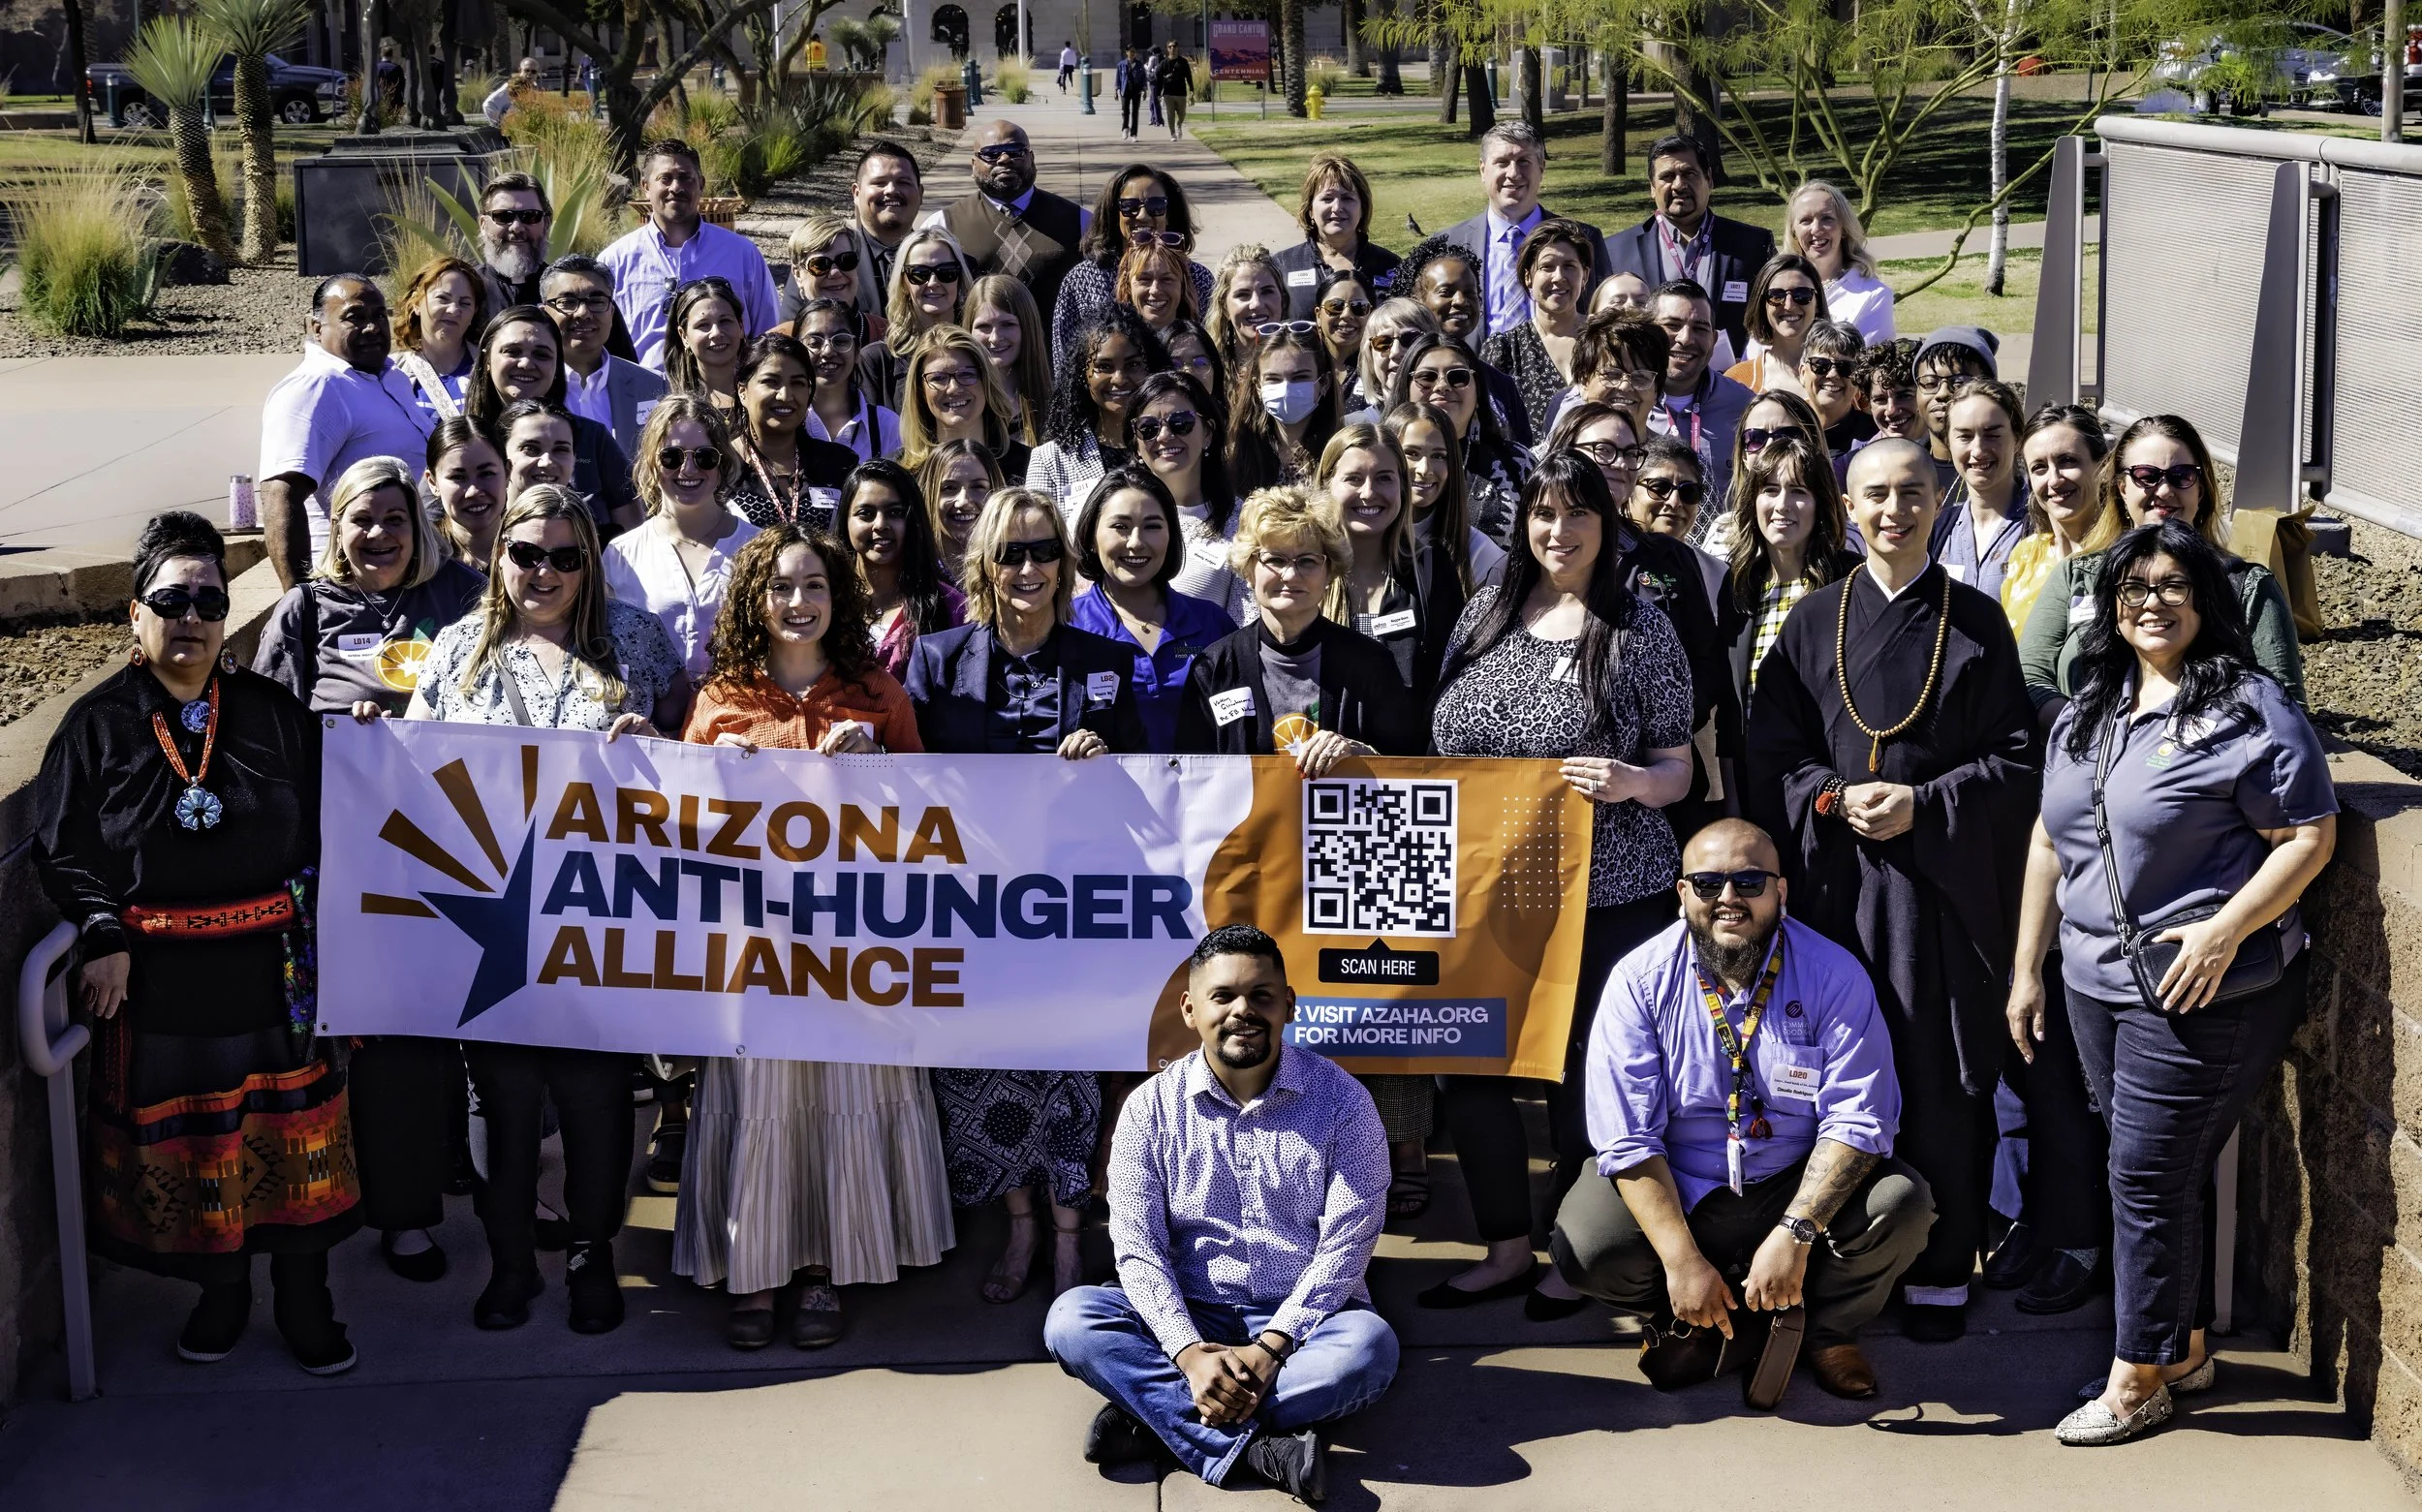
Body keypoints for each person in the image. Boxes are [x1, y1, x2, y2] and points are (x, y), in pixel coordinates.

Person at [2010, 519, 2336, 1445]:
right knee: (2156, 1166)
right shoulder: (2087, 709)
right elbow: (2047, 839)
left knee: (2145, 1174)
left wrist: (2228, 929)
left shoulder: (2249, 707)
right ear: (2111, 606)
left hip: (2205, 989)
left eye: (2172, 585)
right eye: (2134, 587)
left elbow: (2308, 835)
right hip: (2091, 984)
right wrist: (2028, 968)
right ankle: (2184, 1343)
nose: (2152, 602)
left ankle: (2137, 1377)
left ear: (2205, 601)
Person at [35, 510, 359, 1372]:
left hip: (276, 972)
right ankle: (222, 1296)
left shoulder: (271, 713)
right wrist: (102, 931)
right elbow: (65, 846)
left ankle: (305, 1299)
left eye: (208, 600)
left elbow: (336, 825)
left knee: (295, 1144)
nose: (192, 616)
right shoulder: (96, 725)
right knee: (202, 1154)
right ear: (134, 614)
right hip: (165, 983)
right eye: (171, 598)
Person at [1744, 438, 2040, 1343]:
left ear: (1940, 496)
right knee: (1826, 1071)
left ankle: (1942, 1268)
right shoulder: (1810, 623)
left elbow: (2018, 761)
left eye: (1913, 493)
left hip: (1937, 894)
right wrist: (1830, 797)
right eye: (1875, 494)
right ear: (1848, 500)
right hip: (1836, 888)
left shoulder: (1980, 623)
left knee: (1940, 1070)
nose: (1894, 511)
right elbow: (1771, 752)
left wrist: (1926, 803)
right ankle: (1833, 1257)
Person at [1425, 451, 1697, 1316]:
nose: (1559, 531)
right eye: (1543, 514)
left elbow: (1680, 769)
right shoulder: (1484, 614)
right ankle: (1506, 1245)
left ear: (1606, 524)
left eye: (1577, 515)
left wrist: (1631, 783)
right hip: (1487, 892)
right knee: (1467, 1068)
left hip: (1607, 893)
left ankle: (1572, 1253)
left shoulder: (1640, 627)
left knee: (1586, 1074)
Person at [406, 485, 684, 1332]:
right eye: (527, 553)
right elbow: (409, 765)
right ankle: (513, 1259)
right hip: (493, 912)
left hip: (603, 914)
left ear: (588, 563)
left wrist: (656, 750)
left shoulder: (636, 641)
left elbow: (697, 763)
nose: (545, 572)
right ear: (500, 558)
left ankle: (593, 1253)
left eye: (566, 556)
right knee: (503, 1096)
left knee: (597, 1092)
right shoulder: (458, 650)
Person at [675, 524, 955, 1349]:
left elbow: (936, 823)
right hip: (755, 953)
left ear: (839, 599)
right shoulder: (721, 698)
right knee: (764, 1102)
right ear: (754, 602)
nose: (799, 603)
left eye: (815, 587)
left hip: (853, 951)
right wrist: (704, 766)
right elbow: (681, 830)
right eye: (782, 588)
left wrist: (877, 765)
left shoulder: (879, 695)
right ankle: (755, 1273)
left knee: (839, 1102)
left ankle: (825, 1270)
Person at [1550, 818, 1937, 1401]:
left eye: (1749, 881)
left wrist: (1795, 1233)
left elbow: (1862, 1118)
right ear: (1683, 895)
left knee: (1900, 1205)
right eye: (1707, 883)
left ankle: (1828, 1332)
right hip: (1684, 1184)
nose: (1728, 899)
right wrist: (1681, 1262)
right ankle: (1691, 1309)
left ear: (1781, 892)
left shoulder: (1833, 973)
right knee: (1584, 1243)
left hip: (1792, 1180)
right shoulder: (1638, 981)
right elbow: (1626, 1138)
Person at [1044, 925, 1396, 1499]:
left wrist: (1272, 1346)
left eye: (1261, 996)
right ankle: (1257, 1451)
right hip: (1185, 1317)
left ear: (1288, 1003)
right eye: (1223, 996)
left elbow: (1348, 1246)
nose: (1243, 1012)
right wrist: (1186, 1352)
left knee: (1369, 1350)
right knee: (1072, 1320)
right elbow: (1138, 1249)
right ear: (1190, 1009)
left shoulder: (1343, 1100)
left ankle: (1155, 1421)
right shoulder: (1149, 1108)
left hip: (1301, 1328)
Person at [906, 489, 1145, 1302]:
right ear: (984, 564)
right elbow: (904, 782)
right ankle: (1019, 1226)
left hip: (1073, 906)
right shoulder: (936, 660)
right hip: (971, 910)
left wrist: (1106, 754)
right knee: (986, 1072)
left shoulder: (1106, 666)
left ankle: (1073, 1237)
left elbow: (1154, 782)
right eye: (1011, 552)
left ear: (1066, 564)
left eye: (1044, 550)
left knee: (1072, 1069)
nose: (1030, 567)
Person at [249, 458, 481, 1282]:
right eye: (361, 519)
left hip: (467, 856)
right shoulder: (304, 613)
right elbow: (264, 744)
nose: (378, 534)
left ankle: (478, 1168)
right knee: (395, 1040)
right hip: (360, 868)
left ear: (420, 525)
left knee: (481, 1027)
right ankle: (407, 1216)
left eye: (395, 518)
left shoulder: (463, 594)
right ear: (334, 529)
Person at [2018, 413, 2306, 721]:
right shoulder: (2076, 576)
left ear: (2201, 488)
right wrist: (2088, 732)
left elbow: (2287, 709)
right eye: (2146, 475)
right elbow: (2028, 679)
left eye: (2181, 475)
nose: (2165, 490)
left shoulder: (2247, 587)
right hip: (2086, 757)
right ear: (2122, 488)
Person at [259, 274, 436, 588]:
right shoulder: (314, 387)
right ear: (316, 328)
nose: (371, 327)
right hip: (347, 588)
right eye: (354, 317)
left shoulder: (388, 377)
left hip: (405, 578)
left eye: (379, 315)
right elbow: (281, 495)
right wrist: (300, 602)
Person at [1070, 463, 1234, 752]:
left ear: (1171, 537)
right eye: (1120, 527)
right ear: (1091, 537)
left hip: (1202, 795)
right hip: (1102, 795)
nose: (1136, 542)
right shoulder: (1066, 625)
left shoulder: (1212, 624)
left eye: (1152, 526)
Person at [603, 394, 758, 685]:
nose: (688, 469)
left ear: (722, 462)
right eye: (671, 457)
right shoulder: (619, 555)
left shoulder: (758, 547)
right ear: (651, 461)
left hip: (740, 720)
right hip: (650, 723)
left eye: (704, 457)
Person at [599, 139, 780, 375]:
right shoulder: (615, 261)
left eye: (685, 178)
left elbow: (767, 333)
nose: (676, 187)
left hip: (727, 397)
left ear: (701, 184)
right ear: (645, 186)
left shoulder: (742, 254)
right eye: (665, 178)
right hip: (642, 399)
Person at [1717, 432, 1859, 722]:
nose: (1782, 504)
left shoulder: (1852, 581)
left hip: (1823, 761)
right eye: (1770, 490)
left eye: (1798, 491)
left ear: (1820, 504)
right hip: (1753, 761)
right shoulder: (1738, 585)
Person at [464, 305, 642, 534]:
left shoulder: (590, 437)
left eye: (542, 354)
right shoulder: (460, 441)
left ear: (557, 366)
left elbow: (632, 534)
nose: (526, 363)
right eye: (512, 351)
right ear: (487, 359)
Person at [1606, 135, 1782, 356]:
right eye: (1667, 176)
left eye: (1689, 173)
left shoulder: (1753, 245)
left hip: (1732, 380)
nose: (1679, 185)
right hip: (1648, 380)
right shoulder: (1616, 251)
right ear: (1652, 187)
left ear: (1709, 179)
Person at [1436, 122, 1613, 340]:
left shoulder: (1585, 238)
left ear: (1541, 168)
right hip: (1474, 370)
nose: (1513, 173)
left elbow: (1603, 315)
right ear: (1483, 170)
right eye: (1501, 163)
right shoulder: (1449, 243)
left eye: (1524, 162)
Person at [1051, 164, 1214, 365]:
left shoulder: (1199, 277)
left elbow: (1215, 353)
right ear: (1114, 213)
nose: (1143, 216)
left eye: (1156, 206)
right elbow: (1063, 360)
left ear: (1169, 213)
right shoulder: (1082, 280)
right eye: (1129, 207)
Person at [936, 121, 1088, 334]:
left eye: (1016, 151)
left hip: (1053, 362)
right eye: (991, 153)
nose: (1005, 159)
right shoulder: (944, 225)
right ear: (973, 165)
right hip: (977, 363)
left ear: (1032, 159)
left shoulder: (1080, 221)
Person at [1385, 331, 1528, 546]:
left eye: (1458, 377)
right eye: (1427, 377)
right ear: (1405, 388)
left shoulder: (1517, 463)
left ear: (1478, 391)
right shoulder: (1379, 457)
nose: (1442, 386)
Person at [1130, 371, 1249, 622]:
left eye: (1180, 422)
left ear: (1207, 432)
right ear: (1136, 443)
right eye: (1148, 428)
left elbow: (1244, 627)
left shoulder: (1242, 524)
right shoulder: (1114, 516)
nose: (1163, 436)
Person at [1395, 236, 1533, 444]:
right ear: (1417, 301)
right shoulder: (1399, 375)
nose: (1460, 301)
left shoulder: (1500, 384)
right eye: (1446, 292)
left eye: (1470, 292)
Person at [723, 333, 859, 532]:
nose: (785, 395)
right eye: (771, 382)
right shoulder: (718, 466)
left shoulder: (839, 464)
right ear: (743, 392)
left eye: (797, 383)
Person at [1031, 308, 1164, 509]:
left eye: (1133, 365)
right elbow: (1034, 535)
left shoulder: (1171, 444)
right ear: (1082, 375)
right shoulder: (1050, 459)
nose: (1119, 379)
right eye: (1104, 367)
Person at [1647, 279, 1755, 518]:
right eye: (1672, 325)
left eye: (1700, 328)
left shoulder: (1745, 406)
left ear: (1714, 340)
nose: (1686, 338)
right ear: (1647, 330)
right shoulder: (1627, 402)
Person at [2001, 404, 2111, 638]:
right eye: (2039, 468)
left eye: (2068, 461)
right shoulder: (2026, 554)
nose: (2054, 479)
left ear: (2102, 466)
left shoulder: (2121, 556)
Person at [542, 254, 667, 461]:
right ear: (545, 312)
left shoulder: (653, 385)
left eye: (596, 301)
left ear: (612, 311)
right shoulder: (530, 384)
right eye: (567, 302)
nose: (583, 313)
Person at [1480, 217, 1599, 432]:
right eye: (1547, 267)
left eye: (1569, 266)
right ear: (1528, 277)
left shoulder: (1606, 339)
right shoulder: (1505, 349)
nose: (1558, 277)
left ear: (1585, 276)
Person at [1931, 379, 2033, 601]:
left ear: (2017, 439)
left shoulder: (2042, 524)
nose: (1978, 450)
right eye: (1965, 436)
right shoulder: (1937, 529)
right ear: (1948, 441)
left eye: (1992, 435)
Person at [1272, 152, 1404, 322]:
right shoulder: (1283, 265)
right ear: (1310, 209)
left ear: (1362, 208)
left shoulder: (1391, 266)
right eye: (1327, 199)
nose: (1337, 207)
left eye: (1347, 198)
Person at [860, 226, 976, 411]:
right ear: (903, 283)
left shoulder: (979, 349)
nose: (933, 283)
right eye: (919, 274)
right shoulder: (877, 361)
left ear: (959, 279)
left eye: (946, 272)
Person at [897, 326, 1030, 482]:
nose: (953, 388)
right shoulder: (901, 475)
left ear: (986, 382)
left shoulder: (1028, 465)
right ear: (920, 390)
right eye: (938, 378)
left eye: (967, 374)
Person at [1228, 324, 1340, 501]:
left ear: (1324, 382)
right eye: (1273, 379)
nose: (1286, 388)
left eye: (1300, 377)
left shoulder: (1342, 453)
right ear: (1258, 386)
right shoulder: (1237, 455)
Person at [791, 295, 901, 463]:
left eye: (841, 341)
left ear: (857, 352)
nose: (827, 351)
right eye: (814, 343)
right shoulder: (784, 420)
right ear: (797, 352)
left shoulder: (887, 426)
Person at [1785, 181, 1894, 346]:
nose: (1816, 229)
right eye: (1806, 221)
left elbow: (1872, 367)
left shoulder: (1874, 295)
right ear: (1794, 231)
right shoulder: (1776, 292)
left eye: (1827, 218)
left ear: (1844, 228)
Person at [391, 254, 484, 422]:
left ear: (474, 312)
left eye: (465, 303)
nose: (453, 310)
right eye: (443, 298)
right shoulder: (391, 372)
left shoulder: (489, 368)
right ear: (416, 304)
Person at [844, 141, 926, 329]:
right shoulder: (823, 263)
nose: (891, 190)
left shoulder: (952, 266)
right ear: (856, 194)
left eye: (903, 182)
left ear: (920, 194)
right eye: (879, 183)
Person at [1724, 254, 1829, 399]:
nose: (1789, 305)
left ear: (1817, 303)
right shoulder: (1736, 381)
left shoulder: (1842, 374)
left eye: (1802, 294)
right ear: (1762, 306)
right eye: (1776, 296)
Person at [967, 273, 1051, 445]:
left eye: (1007, 324)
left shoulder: (1055, 407)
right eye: (984, 327)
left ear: (1028, 328)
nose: (995, 338)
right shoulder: (960, 402)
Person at [1912, 326, 1999, 495]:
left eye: (1959, 383)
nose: (1943, 393)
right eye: (1930, 383)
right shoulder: (1904, 465)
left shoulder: (2006, 471)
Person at [776, 207, 879, 341]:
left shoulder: (887, 337)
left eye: (846, 260)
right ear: (798, 275)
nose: (835, 272)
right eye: (820, 264)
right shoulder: (776, 347)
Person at [424, 416, 508, 572]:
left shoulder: (532, 550)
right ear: (433, 483)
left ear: (508, 472)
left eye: (487, 474)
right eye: (458, 477)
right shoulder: (420, 556)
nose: (474, 491)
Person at [920, 438, 1006, 579]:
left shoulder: (1014, 567)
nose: (963, 502)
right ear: (929, 495)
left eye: (978, 487)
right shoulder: (908, 571)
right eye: (949, 488)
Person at [472, 171, 554, 318]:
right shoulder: (467, 290)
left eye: (530, 216)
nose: (516, 227)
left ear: (546, 224)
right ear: (483, 225)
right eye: (503, 216)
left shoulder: (562, 291)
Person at [1345, 298, 1440, 425]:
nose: (1395, 352)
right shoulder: (1351, 428)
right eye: (1383, 342)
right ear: (1370, 356)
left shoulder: (1452, 417)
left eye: (1410, 339)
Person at [663, 276, 747, 411]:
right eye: (703, 325)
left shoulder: (765, 394)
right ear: (683, 336)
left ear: (741, 326)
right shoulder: (672, 408)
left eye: (725, 321)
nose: (716, 333)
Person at [1798, 320, 1874, 462]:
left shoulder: (1876, 439)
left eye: (1846, 367)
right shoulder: (1782, 432)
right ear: (1802, 373)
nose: (1833, 374)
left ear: (1859, 377)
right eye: (1820, 365)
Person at [1206, 244, 1287, 370]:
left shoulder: (1305, 363)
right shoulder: (1209, 368)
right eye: (1243, 295)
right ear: (1224, 306)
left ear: (1283, 299)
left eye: (1267, 292)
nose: (1256, 304)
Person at [1119, 238, 1203, 344]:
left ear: (1182, 286)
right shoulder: (1117, 351)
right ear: (1128, 286)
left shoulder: (1198, 347)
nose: (1155, 290)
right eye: (1144, 279)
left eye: (1167, 279)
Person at [1855, 337, 1926, 448]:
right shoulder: (1855, 462)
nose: (1891, 411)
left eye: (1904, 396)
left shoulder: (1956, 455)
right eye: (1880, 400)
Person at [482, 56, 537, 126]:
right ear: (520, 70)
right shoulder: (511, 87)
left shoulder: (532, 88)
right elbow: (487, 104)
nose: (530, 74)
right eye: (527, 70)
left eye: (533, 71)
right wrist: (499, 122)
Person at [1161, 43, 1195, 138]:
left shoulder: (1183, 62)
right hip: (1168, 93)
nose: (1172, 48)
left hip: (1181, 92)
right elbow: (1158, 76)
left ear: (1177, 48)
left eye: (1174, 46)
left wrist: (1192, 89)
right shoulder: (1164, 63)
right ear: (1167, 49)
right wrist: (1158, 92)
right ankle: (1172, 134)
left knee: (1182, 113)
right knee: (1170, 114)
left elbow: (1188, 76)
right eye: (1170, 47)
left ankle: (1179, 124)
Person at [1116, 46, 1146, 139]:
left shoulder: (1139, 64)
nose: (1132, 53)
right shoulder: (1121, 64)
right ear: (1126, 52)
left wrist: (1144, 90)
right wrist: (1116, 90)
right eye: (1130, 51)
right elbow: (1118, 78)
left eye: (1134, 51)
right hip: (1125, 90)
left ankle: (1134, 133)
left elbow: (1143, 78)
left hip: (1136, 90)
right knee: (1125, 111)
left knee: (1135, 112)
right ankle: (1125, 128)